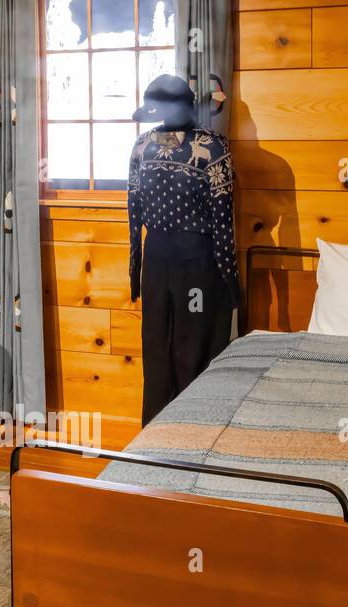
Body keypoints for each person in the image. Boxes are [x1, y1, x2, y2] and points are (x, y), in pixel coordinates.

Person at [127, 74, 239, 425]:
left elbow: (132, 214)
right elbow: (223, 220)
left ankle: (157, 435)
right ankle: (194, 433)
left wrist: (135, 269)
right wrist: (231, 280)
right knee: (196, 348)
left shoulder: (142, 146)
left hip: (156, 260)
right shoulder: (214, 146)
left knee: (157, 349)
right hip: (199, 264)